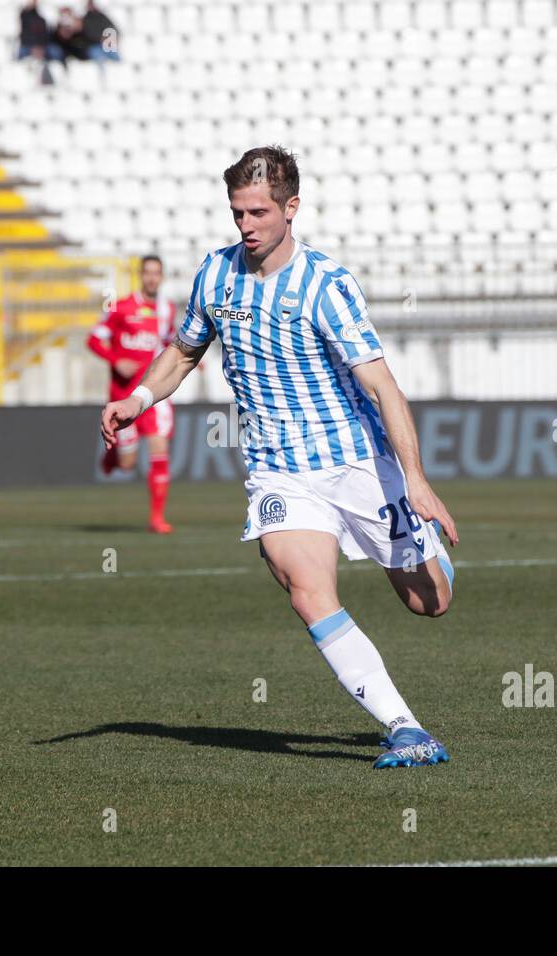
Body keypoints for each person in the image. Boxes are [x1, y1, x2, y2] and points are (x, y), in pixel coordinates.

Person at [100, 146, 459, 769]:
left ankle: (419, 553)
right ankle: (404, 728)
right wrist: (137, 397)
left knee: (429, 603)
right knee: (306, 590)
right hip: (277, 469)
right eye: (237, 212)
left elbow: (383, 386)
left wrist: (417, 482)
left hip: (356, 461)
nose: (246, 225)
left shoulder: (326, 284)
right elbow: (184, 351)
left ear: (291, 208)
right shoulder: (215, 274)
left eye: (259, 212)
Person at [87, 255, 177, 533]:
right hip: (122, 395)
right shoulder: (121, 307)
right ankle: (113, 458)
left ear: (162, 276)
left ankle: (157, 519)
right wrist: (116, 360)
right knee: (127, 464)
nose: (152, 278)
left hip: (152, 393)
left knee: (159, 447)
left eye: (157, 273)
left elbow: (170, 342)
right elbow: (93, 339)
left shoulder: (167, 309)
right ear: (141, 275)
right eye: (148, 273)